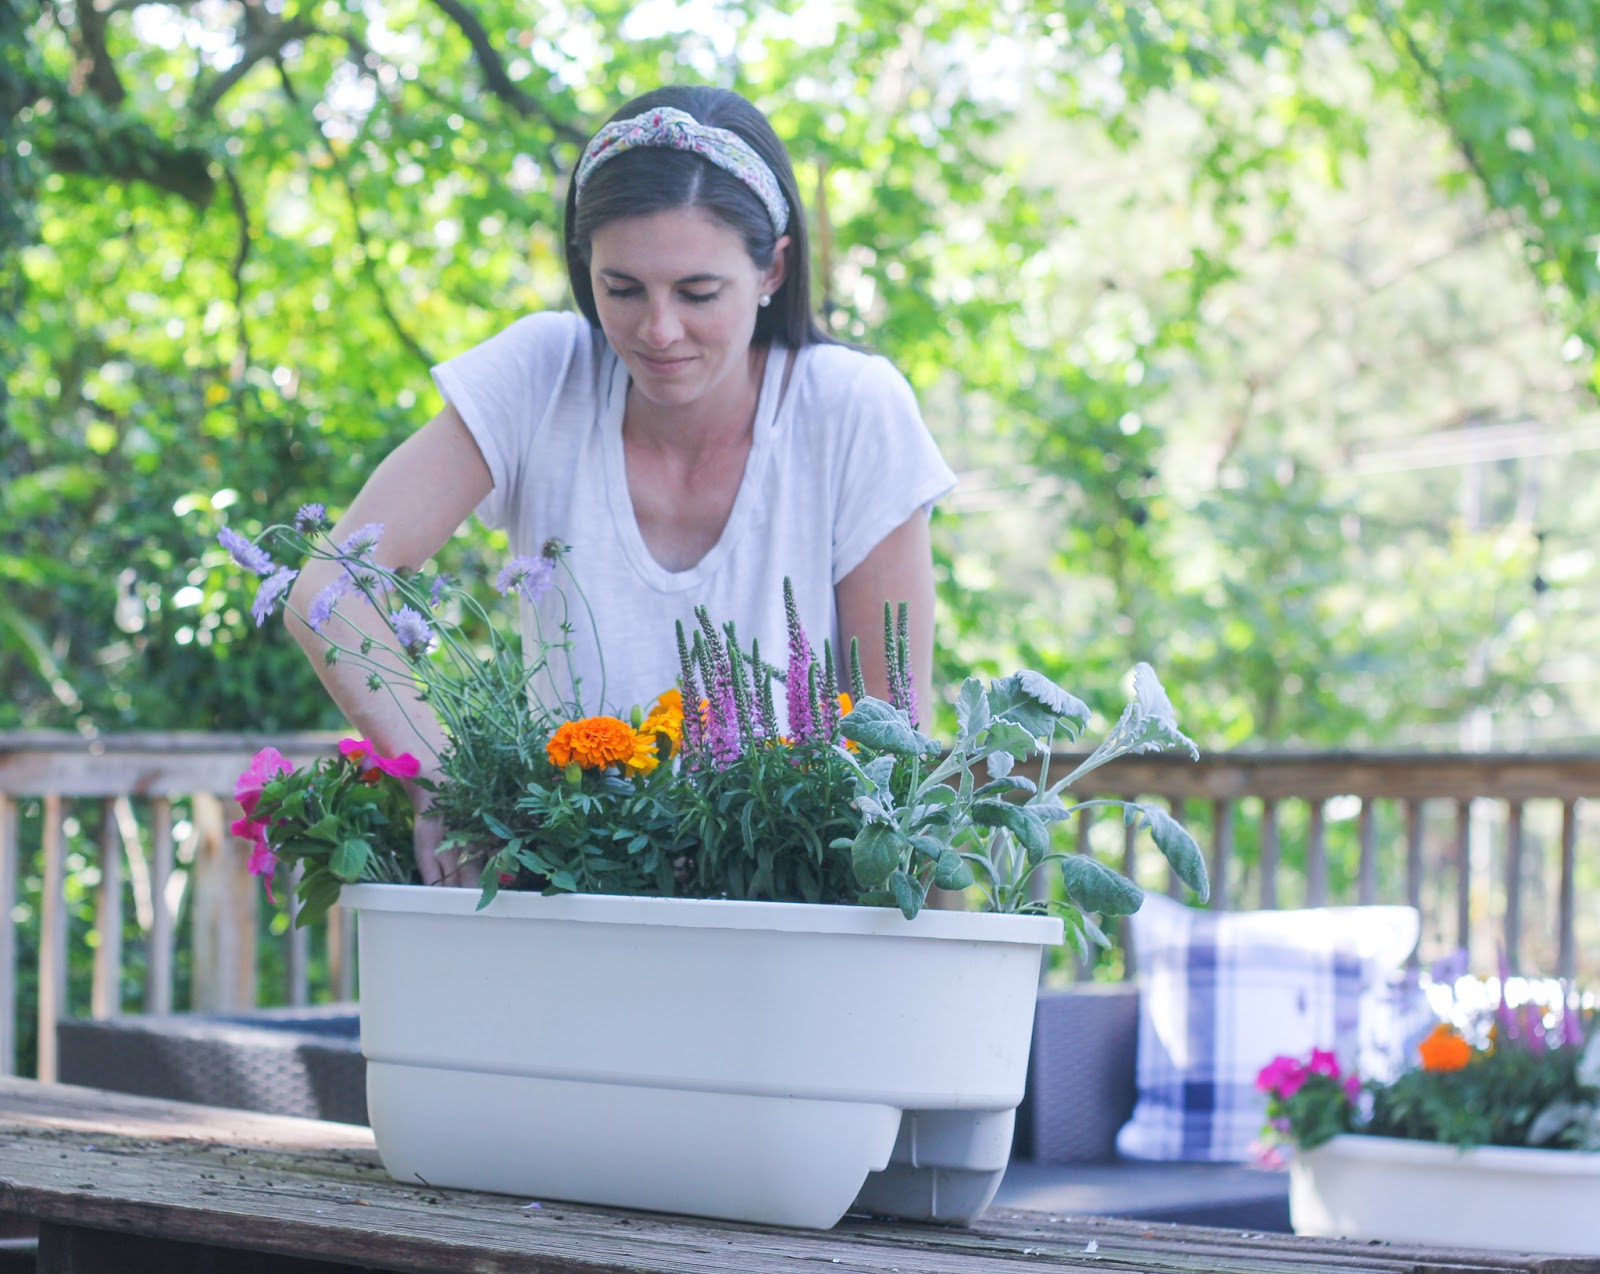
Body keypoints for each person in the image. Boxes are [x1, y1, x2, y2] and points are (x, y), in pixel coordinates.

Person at [286, 85, 957, 885]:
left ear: (773, 268)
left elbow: (893, 730)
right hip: (561, 890)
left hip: (783, 904)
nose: (658, 330)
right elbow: (329, 584)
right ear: (585, 270)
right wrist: (445, 777)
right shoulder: (542, 375)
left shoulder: (850, 409)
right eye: (623, 289)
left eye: (698, 293)